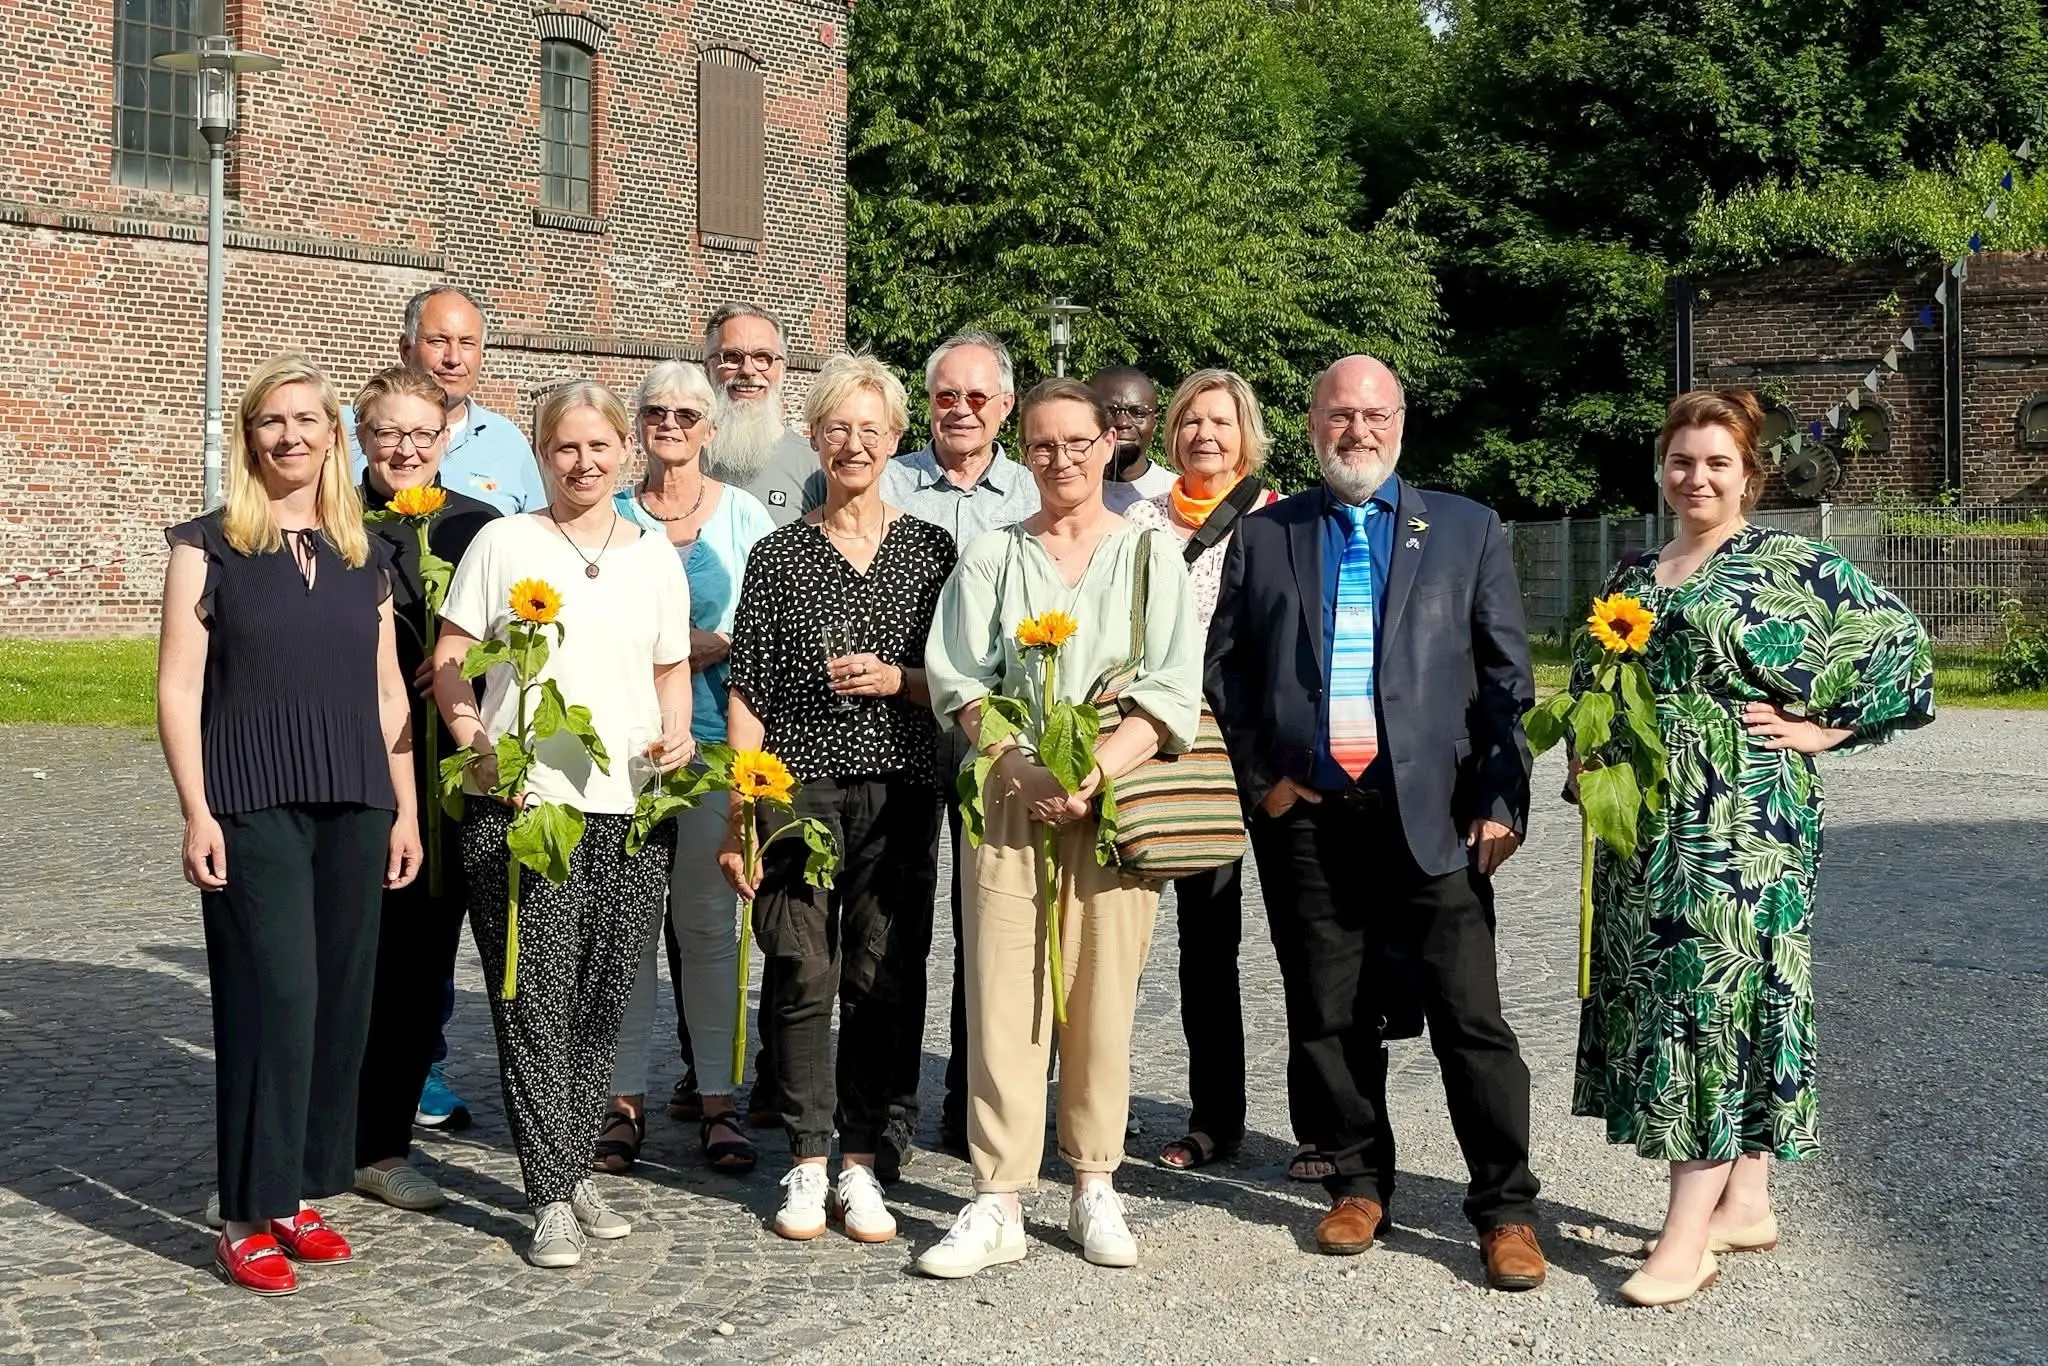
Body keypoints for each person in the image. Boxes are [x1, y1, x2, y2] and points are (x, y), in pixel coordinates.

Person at [1576, 389, 1934, 1307]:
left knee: (1715, 997)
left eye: (1716, 462)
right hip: (1646, 816)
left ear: (1749, 475)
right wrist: (1587, 754)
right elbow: (1594, 679)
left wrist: (1829, 729)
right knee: (1685, 992)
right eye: (1682, 460)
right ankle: (1746, 1199)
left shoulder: (1787, 563)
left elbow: (1902, 646)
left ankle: (1684, 1238)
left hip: (1745, 814)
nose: (1696, 476)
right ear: (1662, 467)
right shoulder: (1634, 571)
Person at [1205, 355, 1548, 1291]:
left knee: (1470, 1018)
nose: (1356, 431)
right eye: (1338, 416)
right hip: (1310, 821)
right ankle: (1358, 1180)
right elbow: (1226, 673)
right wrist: (1263, 780)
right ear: (1311, 424)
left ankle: (1506, 1207)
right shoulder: (1268, 534)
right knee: (1328, 1013)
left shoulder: (1466, 529)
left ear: (1401, 422)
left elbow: (1507, 684)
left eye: (1373, 415)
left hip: (1432, 817)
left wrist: (1499, 798)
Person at [918, 378, 1202, 1279]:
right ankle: (997, 1194)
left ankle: (1092, 1183)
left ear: (1107, 445)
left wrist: (1091, 772)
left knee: (1099, 996)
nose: (1062, 459)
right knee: (1004, 995)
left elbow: (1168, 685)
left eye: (1078, 442)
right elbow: (959, 677)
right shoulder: (994, 555)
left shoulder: (1151, 555)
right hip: (1007, 801)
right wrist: (1023, 767)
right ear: (1024, 453)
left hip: (1113, 803)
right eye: (1042, 445)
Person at [157, 353, 422, 1295]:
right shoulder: (209, 545)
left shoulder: (370, 555)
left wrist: (407, 811)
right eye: (272, 421)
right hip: (250, 801)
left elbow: (391, 688)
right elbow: (179, 688)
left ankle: (293, 1195)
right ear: (248, 436)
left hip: (357, 801)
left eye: (308, 421)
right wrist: (197, 810)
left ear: (333, 436)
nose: (291, 436)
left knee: (341, 1004)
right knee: (275, 1002)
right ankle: (241, 1214)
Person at [432, 380, 695, 1269]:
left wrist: (677, 731)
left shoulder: (653, 554)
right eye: (563, 448)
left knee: (601, 998)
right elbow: (450, 665)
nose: (582, 463)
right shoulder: (503, 544)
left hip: (629, 806)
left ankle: (574, 1160)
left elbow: (668, 669)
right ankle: (546, 1191)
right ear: (541, 455)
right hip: (526, 804)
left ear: (626, 451)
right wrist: (478, 745)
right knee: (532, 999)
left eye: (598, 446)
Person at [721, 354, 957, 1245]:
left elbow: (959, 680)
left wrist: (899, 678)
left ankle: (864, 1159)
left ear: (896, 440)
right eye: (836, 427)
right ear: (813, 437)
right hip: (797, 790)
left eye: (871, 429)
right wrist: (743, 812)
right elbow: (750, 689)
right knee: (799, 968)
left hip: (900, 791)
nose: (853, 444)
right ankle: (807, 1159)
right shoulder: (780, 555)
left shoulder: (932, 550)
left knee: (882, 974)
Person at [601, 360, 774, 1176]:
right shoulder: (608, 513)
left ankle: (716, 1101)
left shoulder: (741, 515)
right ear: (638, 425)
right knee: (627, 931)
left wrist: (710, 644)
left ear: (710, 429)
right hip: (626, 751)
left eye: (686, 413)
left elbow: (766, 627)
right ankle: (622, 1100)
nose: (669, 424)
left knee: (709, 930)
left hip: (711, 744)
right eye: (655, 412)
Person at [880, 330, 1041, 1163]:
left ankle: (975, 1100)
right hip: (902, 720)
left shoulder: (1031, 490)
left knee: (992, 920)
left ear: (1005, 407)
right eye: (948, 395)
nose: (963, 410)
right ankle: (890, 1110)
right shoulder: (888, 478)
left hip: (994, 727)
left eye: (980, 397)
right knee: (899, 919)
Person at [350, 367, 499, 1213]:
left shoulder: (478, 527)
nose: (404, 448)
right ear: (361, 436)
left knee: (423, 969)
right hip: (359, 765)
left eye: (421, 434)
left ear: (446, 438)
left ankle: (384, 1141)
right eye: (386, 433)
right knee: (361, 965)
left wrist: (458, 665)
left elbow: (516, 634)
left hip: (458, 772)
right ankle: (337, 1131)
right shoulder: (337, 523)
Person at [1123, 370, 1279, 1175]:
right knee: (1197, 946)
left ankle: (1327, 1126)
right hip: (1166, 752)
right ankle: (1213, 1116)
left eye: (1219, 421)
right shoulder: (1138, 522)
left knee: (1298, 940)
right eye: (1189, 421)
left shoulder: (1279, 521)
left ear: (1245, 434)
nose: (1203, 435)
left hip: (1252, 754)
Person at [346, 285, 549, 518]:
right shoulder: (341, 431)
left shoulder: (508, 442)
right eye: (438, 341)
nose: (453, 358)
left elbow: (536, 538)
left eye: (467, 343)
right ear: (405, 349)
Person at [701, 303, 825, 526]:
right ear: (707, 369)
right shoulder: (686, 458)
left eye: (763, 357)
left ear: (783, 370)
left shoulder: (815, 468)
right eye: (731, 356)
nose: (748, 370)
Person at [1090, 365, 1175, 515]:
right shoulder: (1059, 493)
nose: (1122, 423)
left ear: (1155, 422)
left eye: (1137, 413)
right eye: (1109, 411)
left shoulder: (1175, 496)